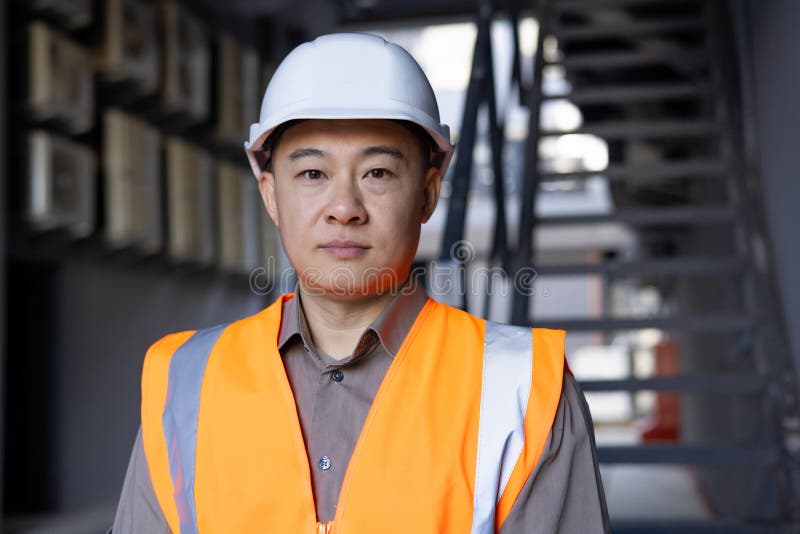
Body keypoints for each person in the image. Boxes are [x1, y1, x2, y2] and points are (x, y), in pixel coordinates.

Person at [111, 32, 609, 534]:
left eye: (376, 172)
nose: (344, 209)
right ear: (271, 196)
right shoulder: (183, 382)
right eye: (311, 174)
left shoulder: (524, 388)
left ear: (427, 193)